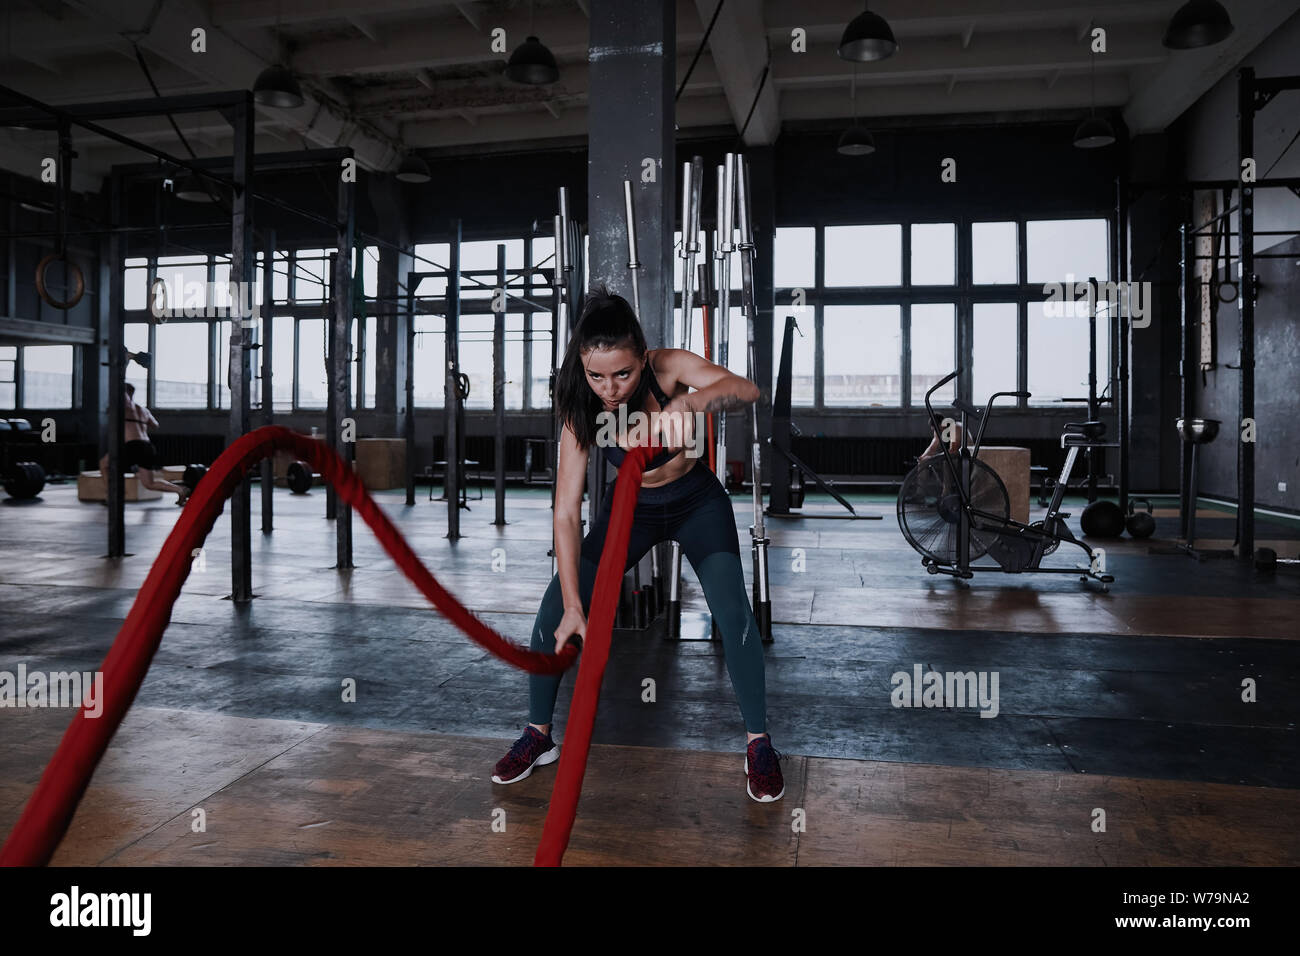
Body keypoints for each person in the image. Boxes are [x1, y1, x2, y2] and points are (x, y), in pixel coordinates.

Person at [492, 286, 784, 802]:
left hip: (697, 503)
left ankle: (759, 742)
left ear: (640, 356)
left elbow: (747, 389)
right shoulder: (582, 407)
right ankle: (538, 735)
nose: (610, 389)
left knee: (733, 613)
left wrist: (692, 401)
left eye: (622, 374)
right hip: (632, 514)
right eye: (596, 375)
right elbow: (565, 509)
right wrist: (576, 603)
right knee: (552, 611)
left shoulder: (667, 368)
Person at [98, 383, 190, 505]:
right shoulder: (144, 410)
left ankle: (112, 495)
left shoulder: (127, 406)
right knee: (149, 484)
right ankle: (180, 489)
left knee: (104, 464)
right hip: (147, 447)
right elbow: (155, 425)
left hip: (133, 445)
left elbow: (125, 400)